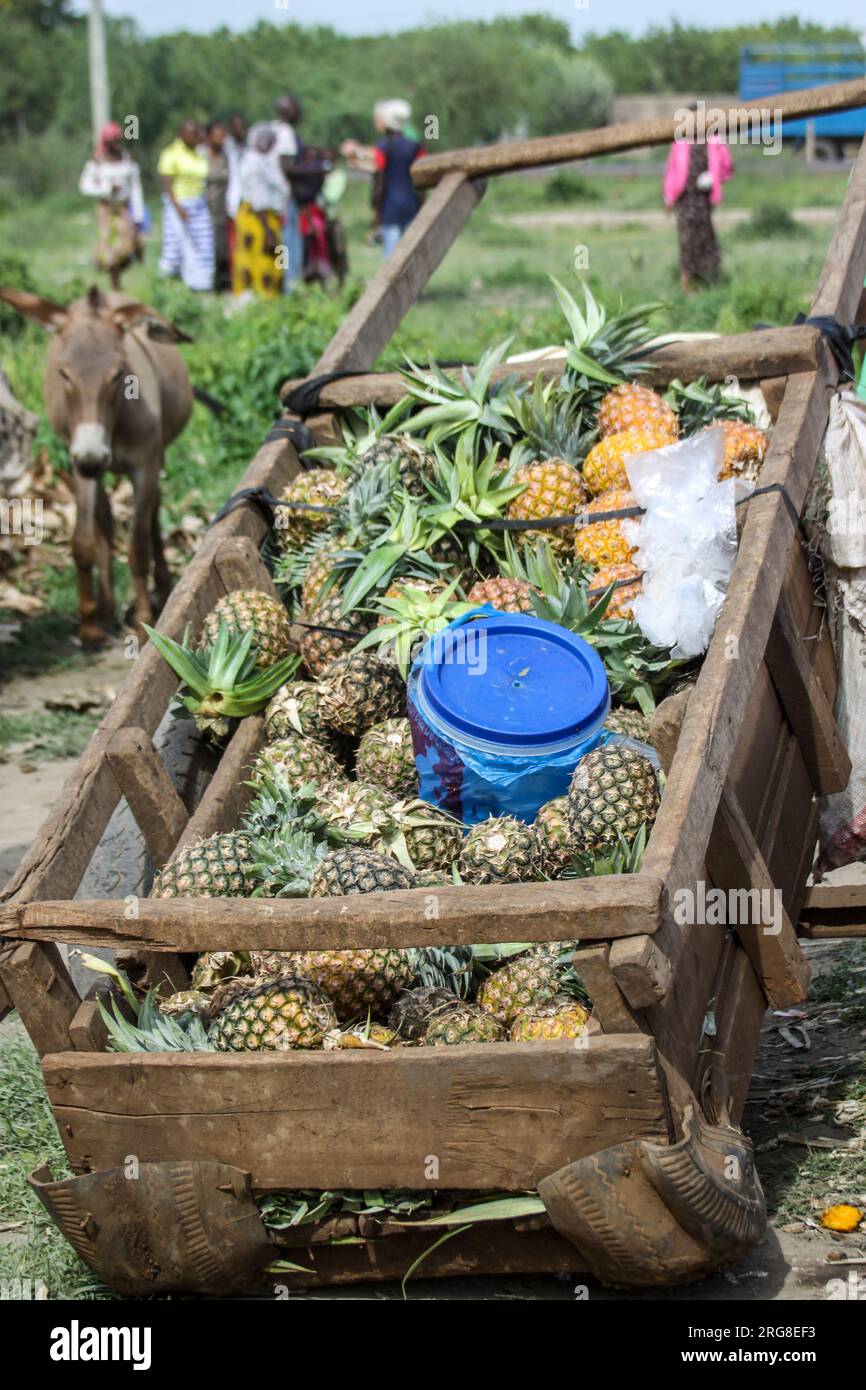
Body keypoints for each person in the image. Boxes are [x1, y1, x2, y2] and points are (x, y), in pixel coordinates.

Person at [342, 99, 424, 258]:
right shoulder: (416, 146)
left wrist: (376, 207)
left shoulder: (383, 147)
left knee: (391, 254)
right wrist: (422, 204)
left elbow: (380, 180)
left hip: (390, 204)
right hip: (411, 203)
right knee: (409, 251)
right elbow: (421, 179)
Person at [663, 121, 733, 292]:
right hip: (685, 198)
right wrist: (669, 197)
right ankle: (687, 285)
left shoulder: (714, 141)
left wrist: (714, 179)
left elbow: (727, 166)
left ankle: (709, 282)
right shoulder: (679, 143)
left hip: (703, 199)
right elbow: (672, 171)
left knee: (705, 238)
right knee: (687, 240)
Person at [78, 121, 145, 290]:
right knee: (108, 249)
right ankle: (114, 282)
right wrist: (107, 188)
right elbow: (85, 186)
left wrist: (138, 215)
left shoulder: (127, 159)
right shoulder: (97, 162)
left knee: (125, 247)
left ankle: (121, 273)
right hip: (106, 209)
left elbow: (135, 188)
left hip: (123, 209)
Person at [157, 118, 214, 291]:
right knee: (174, 249)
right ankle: (165, 286)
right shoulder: (170, 154)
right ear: (182, 134)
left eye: (197, 132)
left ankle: (199, 286)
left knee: (202, 247)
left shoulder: (200, 154)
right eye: (191, 133)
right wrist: (178, 209)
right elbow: (168, 187)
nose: (195, 136)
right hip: (178, 204)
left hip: (199, 205)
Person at [232, 123, 286, 300]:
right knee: (263, 257)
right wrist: (268, 230)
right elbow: (258, 198)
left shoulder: (263, 161)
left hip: (269, 217)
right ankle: (263, 297)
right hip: (259, 219)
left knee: (279, 255)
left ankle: (276, 293)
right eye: (266, 140)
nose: (269, 144)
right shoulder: (253, 162)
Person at [272, 95, 304, 291]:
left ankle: (281, 278)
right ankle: (288, 283)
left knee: (280, 241)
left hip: (274, 196)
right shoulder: (286, 132)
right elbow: (286, 167)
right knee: (287, 241)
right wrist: (315, 169)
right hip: (283, 196)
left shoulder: (272, 128)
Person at [203, 120, 231, 291]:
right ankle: (207, 285)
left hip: (223, 209)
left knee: (222, 249)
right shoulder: (201, 156)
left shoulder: (227, 157)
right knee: (208, 249)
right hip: (205, 209)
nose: (221, 139)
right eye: (217, 135)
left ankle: (221, 284)